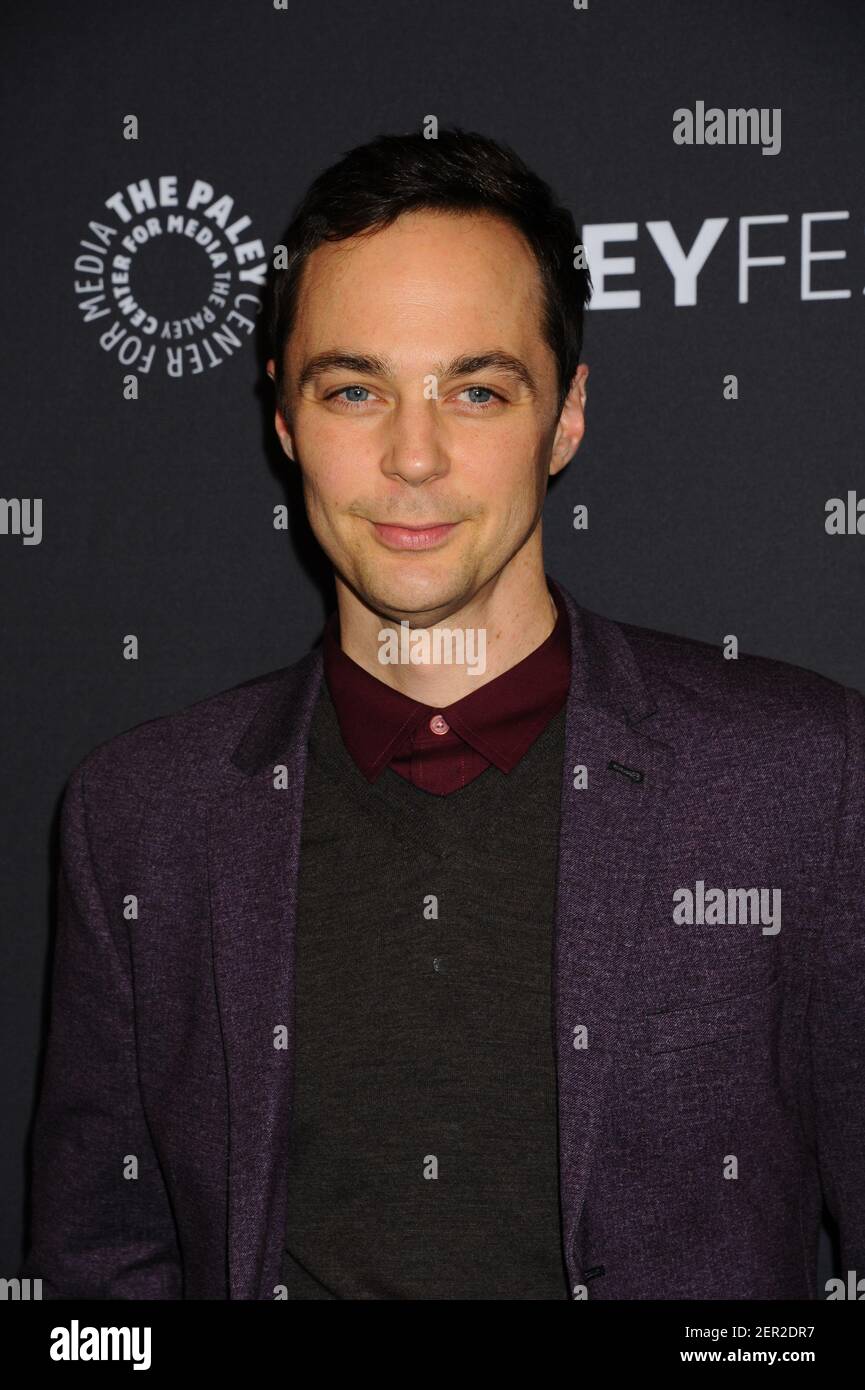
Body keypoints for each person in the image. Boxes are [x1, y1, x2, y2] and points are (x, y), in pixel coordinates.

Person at [23, 128, 864, 1300]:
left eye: (475, 390)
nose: (411, 457)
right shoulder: (140, 815)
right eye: (354, 388)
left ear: (564, 418)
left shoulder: (802, 775)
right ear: (283, 421)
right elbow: (101, 1268)